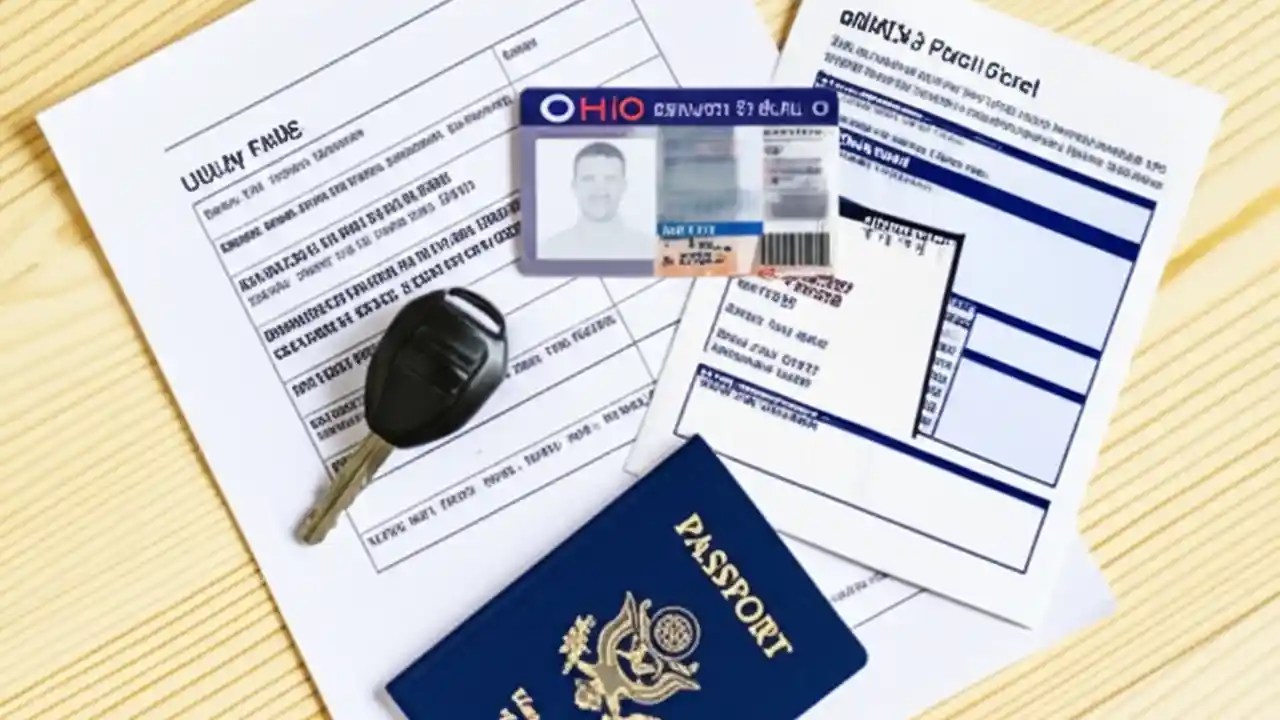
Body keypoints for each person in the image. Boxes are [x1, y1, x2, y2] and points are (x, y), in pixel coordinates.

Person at [538, 141, 655, 260]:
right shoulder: (549, 251)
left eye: (610, 179)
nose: (600, 188)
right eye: (589, 179)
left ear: (623, 186)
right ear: (574, 186)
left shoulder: (651, 251)